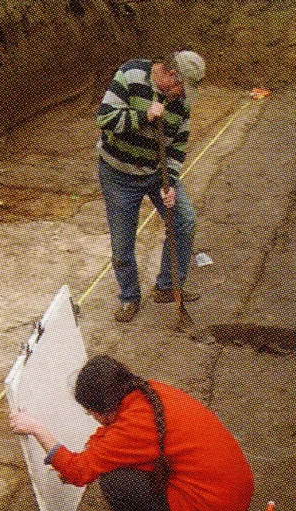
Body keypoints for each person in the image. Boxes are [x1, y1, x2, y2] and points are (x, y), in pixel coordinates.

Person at [9, 354, 253, 511]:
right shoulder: (148, 392)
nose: (90, 416)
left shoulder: (132, 429)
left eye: (89, 412)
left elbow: (77, 472)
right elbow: (111, 436)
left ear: (103, 411)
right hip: (228, 501)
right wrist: (91, 450)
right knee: (126, 467)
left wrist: (37, 430)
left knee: (115, 482)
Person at [97, 50, 206, 323]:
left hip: (156, 173)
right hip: (118, 174)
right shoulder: (131, 74)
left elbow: (177, 147)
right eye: (181, 86)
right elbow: (105, 118)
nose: (182, 94)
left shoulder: (180, 104)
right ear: (171, 73)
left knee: (185, 220)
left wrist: (170, 182)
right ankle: (129, 297)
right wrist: (143, 115)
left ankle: (168, 286)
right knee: (123, 241)